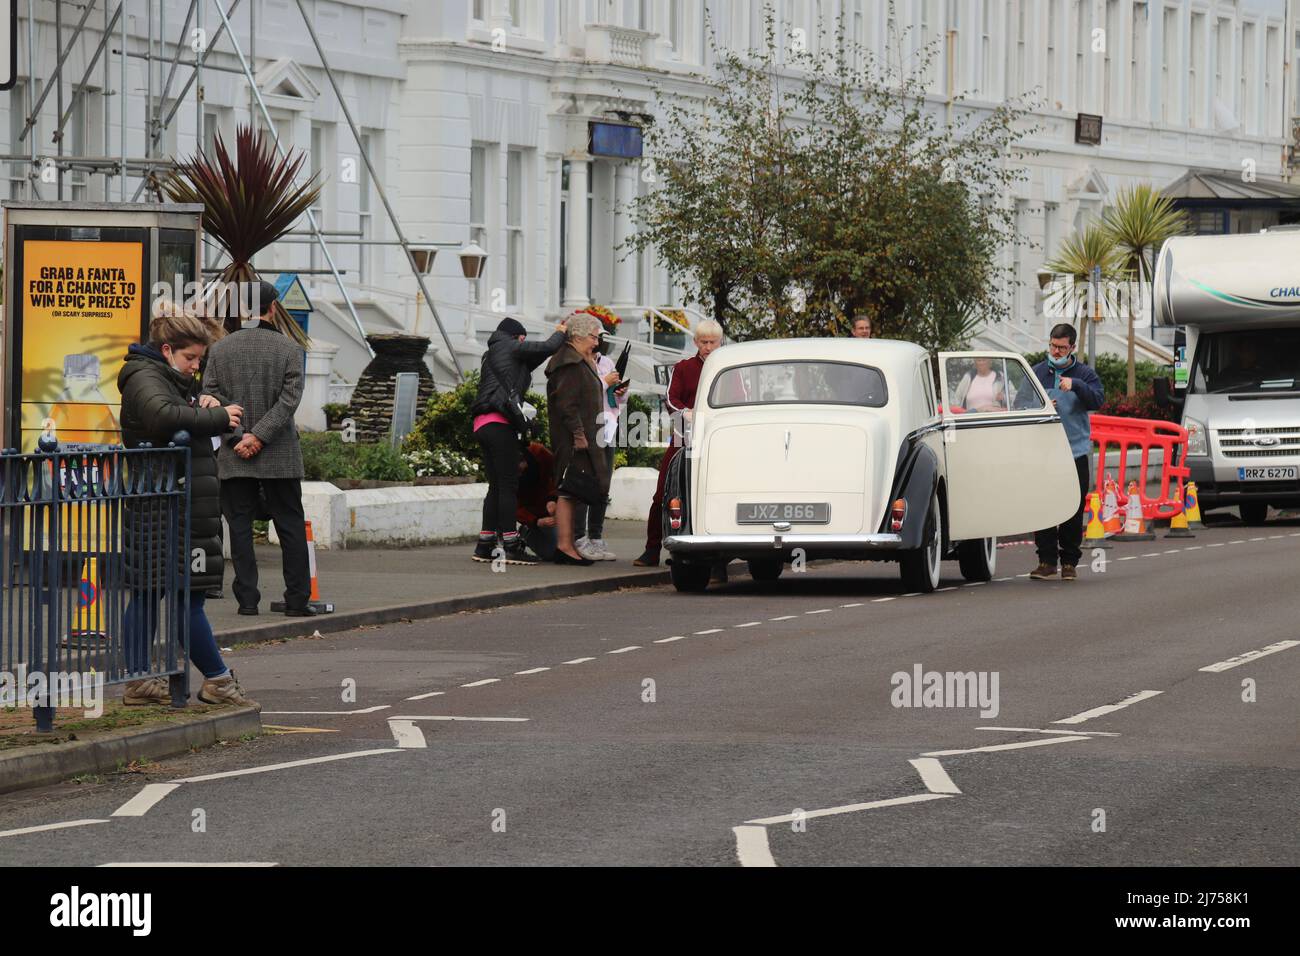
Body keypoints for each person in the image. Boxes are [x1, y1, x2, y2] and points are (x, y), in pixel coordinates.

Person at [118, 307, 255, 707]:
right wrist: (212, 414)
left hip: (176, 502)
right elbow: (161, 417)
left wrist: (205, 404)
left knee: (161, 593)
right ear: (166, 350)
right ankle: (216, 680)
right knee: (178, 596)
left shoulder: (169, 379)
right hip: (165, 503)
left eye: (199, 359)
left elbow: (188, 415)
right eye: (190, 358)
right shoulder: (145, 376)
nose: (196, 366)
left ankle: (142, 679)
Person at [201, 281, 314, 616]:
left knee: (239, 526)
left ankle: (247, 601)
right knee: (290, 525)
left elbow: (211, 397)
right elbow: (289, 401)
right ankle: (297, 600)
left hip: (234, 455)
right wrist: (261, 436)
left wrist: (239, 437)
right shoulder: (289, 350)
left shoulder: (220, 350)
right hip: (279, 454)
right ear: (273, 308)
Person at [470, 316, 567, 565]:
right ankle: (511, 545)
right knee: (508, 486)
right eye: (523, 338)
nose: (524, 342)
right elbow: (546, 347)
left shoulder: (493, 353)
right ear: (518, 337)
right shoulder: (510, 346)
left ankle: (485, 544)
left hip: (482, 424)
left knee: (496, 486)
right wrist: (561, 331)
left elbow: (534, 358)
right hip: (500, 425)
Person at [633, 320, 724, 567]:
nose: (707, 347)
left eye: (712, 342)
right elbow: (671, 399)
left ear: (720, 342)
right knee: (663, 491)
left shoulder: (727, 369)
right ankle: (652, 550)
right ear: (695, 342)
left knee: (713, 493)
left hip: (718, 440)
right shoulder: (683, 368)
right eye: (703, 342)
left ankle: (717, 560)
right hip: (684, 436)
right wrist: (686, 412)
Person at [1028, 323, 1105, 582]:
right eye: (1052, 345)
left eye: (1061, 347)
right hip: (1044, 453)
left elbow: (1098, 399)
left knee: (1073, 507)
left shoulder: (1084, 374)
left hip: (1075, 452)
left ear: (1072, 347)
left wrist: (1076, 385)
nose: (1056, 351)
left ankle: (1069, 562)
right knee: (1043, 506)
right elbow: (1020, 404)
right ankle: (1046, 561)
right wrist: (1040, 407)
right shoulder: (1037, 372)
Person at [545, 314, 612, 566]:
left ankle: (569, 544)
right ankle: (564, 546)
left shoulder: (580, 360)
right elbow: (567, 405)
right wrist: (579, 435)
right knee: (568, 491)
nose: (596, 343)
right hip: (574, 440)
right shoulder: (570, 363)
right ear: (579, 336)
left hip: (582, 438)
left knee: (573, 491)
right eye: (594, 337)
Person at [573, 330, 629, 561]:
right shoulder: (577, 363)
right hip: (587, 428)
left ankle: (596, 536)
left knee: (602, 485)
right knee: (583, 484)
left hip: (608, 426)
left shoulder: (605, 362)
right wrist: (605, 383)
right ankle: (579, 537)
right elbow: (584, 394)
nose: (597, 342)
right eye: (594, 337)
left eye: (599, 338)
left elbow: (613, 398)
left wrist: (620, 392)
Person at [516, 441, 558, 561]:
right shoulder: (506, 475)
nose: (523, 469)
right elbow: (514, 508)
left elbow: (555, 477)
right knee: (551, 553)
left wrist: (552, 499)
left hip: (550, 507)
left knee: (567, 546)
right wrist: (536, 521)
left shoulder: (540, 452)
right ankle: (525, 534)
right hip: (532, 514)